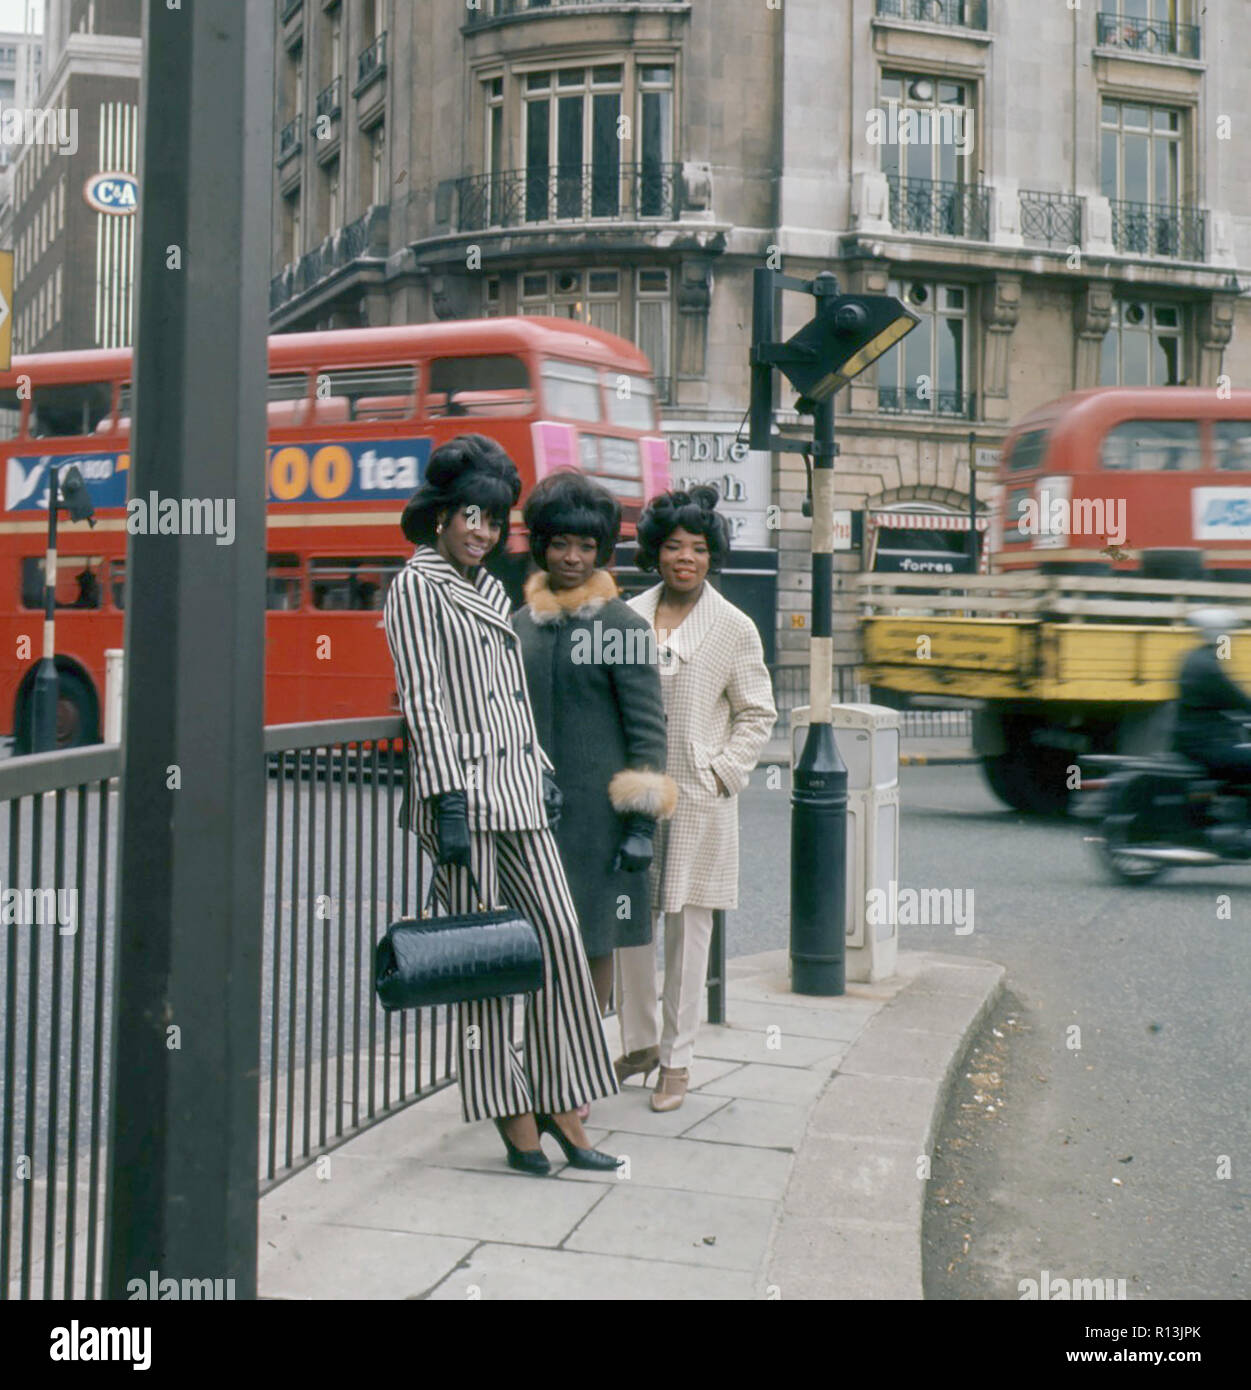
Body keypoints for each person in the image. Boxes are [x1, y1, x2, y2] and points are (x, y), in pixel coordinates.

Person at [382, 434, 621, 1175]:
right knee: (488, 966)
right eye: (469, 517)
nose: (481, 531)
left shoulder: (488, 588)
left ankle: (561, 1099)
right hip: (466, 803)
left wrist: (543, 768)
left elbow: (508, 702)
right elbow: (424, 699)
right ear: (440, 517)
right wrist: (447, 801)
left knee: (556, 946)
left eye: (491, 518)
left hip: (518, 793)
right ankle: (513, 1115)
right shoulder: (417, 586)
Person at [615, 486, 777, 1112]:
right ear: (654, 552)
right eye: (675, 546)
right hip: (634, 799)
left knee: (689, 931)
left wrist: (721, 773)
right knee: (630, 924)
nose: (687, 558)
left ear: (713, 557)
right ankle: (640, 1043)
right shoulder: (626, 617)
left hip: (699, 800)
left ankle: (678, 1062)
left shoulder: (734, 627)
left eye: (700, 548)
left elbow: (757, 711)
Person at [511, 471, 677, 1032]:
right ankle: (541, 1061)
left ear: (603, 550)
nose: (573, 557)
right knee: (532, 940)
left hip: (601, 825)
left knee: (593, 941)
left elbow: (648, 732)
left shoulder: (622, 626)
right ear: (541, 545)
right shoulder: (517, 627)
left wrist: (639, 828)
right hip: (528, 815)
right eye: (560, 543)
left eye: (586, 545)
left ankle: (578, 1073)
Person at [1173, 607, 1251, 786]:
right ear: (1220, 633)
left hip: (1195, 742)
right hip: (1207, 745)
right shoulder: (1208, 668)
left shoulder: (1196, 656)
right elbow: (1239, 699)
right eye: (1229, 632)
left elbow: (1225, 663)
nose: (1233, 636)